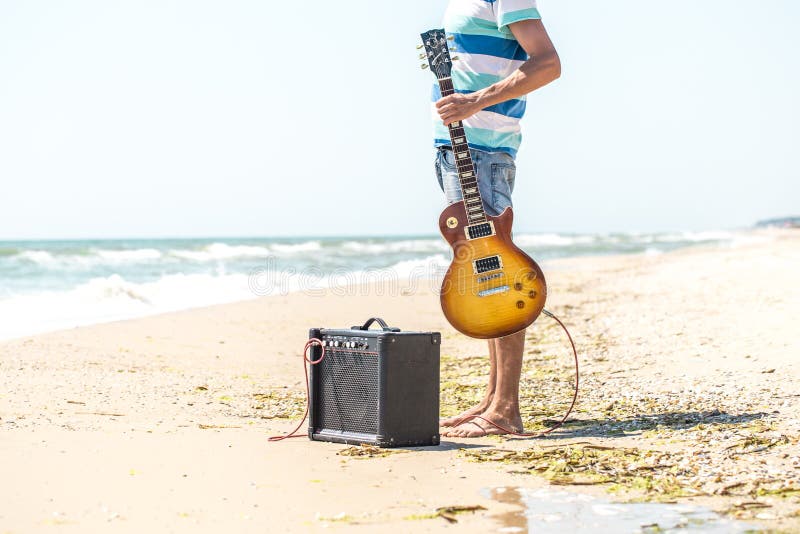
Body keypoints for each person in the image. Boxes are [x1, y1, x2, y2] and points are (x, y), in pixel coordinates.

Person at [433, 0, 560, 437]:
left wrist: (474, 101)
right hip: (456, 147)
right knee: (484, 271)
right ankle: (492, 399)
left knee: (498, 273)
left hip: (483, 149)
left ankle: (506, 409)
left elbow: (548, 63)